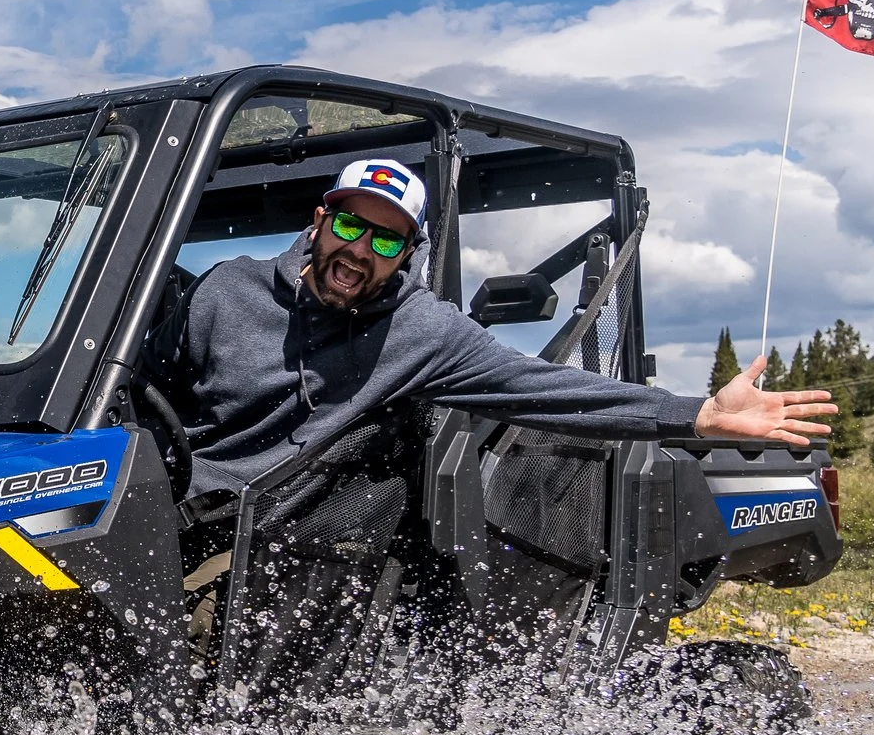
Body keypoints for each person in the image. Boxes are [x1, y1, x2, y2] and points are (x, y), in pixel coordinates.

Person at [143, 156, 833, 495]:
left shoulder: (420, 331)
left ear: (408, 255)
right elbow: (143, 392)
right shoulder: (226, 289)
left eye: (386, 240)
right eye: (350, 227)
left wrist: (698, 415)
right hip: (181, 503)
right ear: (320, 221)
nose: (359, 251)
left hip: (284, 534)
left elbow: (540, 389)